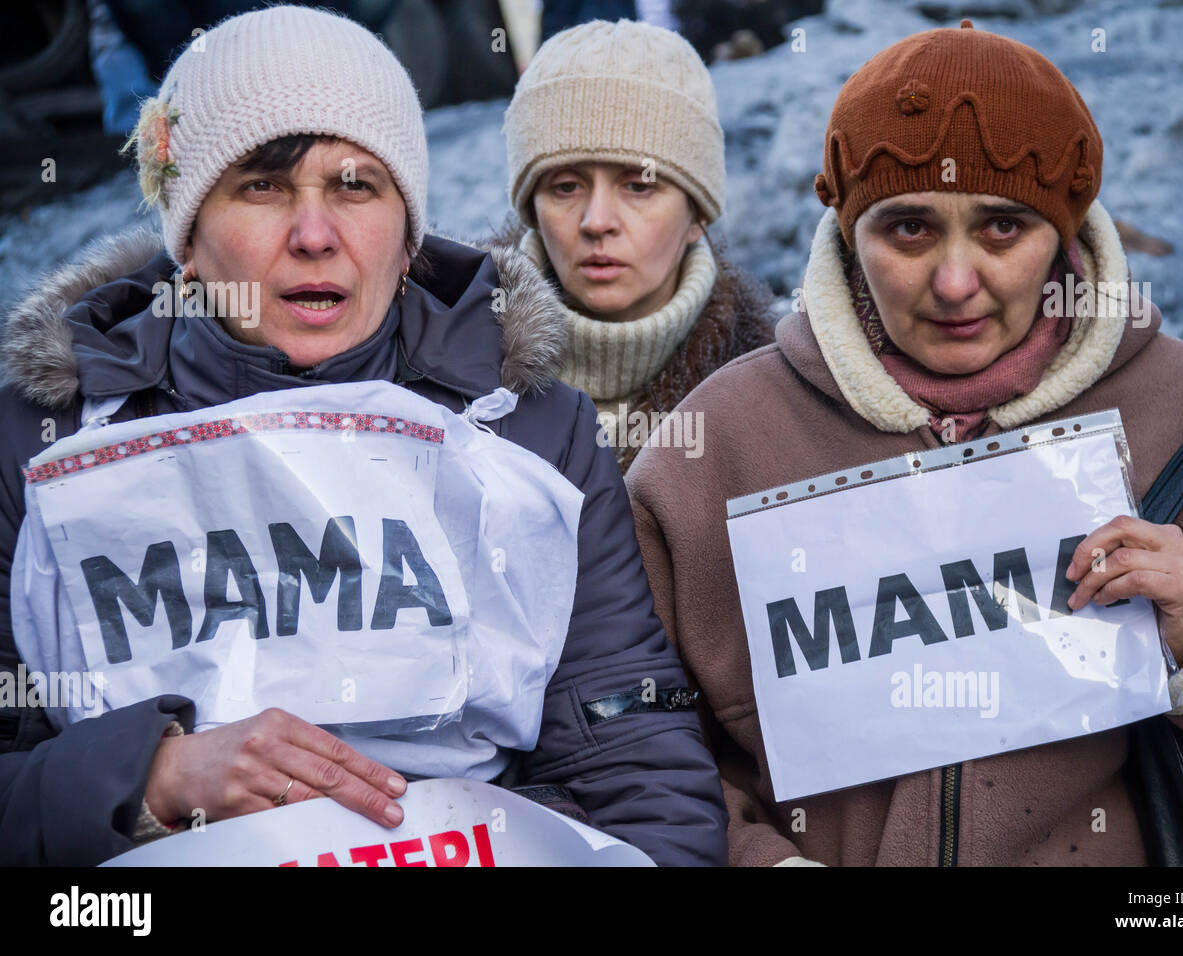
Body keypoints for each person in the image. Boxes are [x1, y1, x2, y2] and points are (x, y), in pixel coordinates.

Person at [0, 5, 726, 867]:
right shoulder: (41, 441)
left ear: (408, 234)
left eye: (355, 186)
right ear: (187, 237)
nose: (315, 236)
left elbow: (636, 767)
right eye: (261, 187)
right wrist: (148, 779)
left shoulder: (530, 431)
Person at [626, 19, 1183, 865]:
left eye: (1002, 229)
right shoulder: (710, 449)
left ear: (1067, 227)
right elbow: (626, 738)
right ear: (846, 232)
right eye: (907, 229)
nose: (954, 282)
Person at [500, 18, 776, 473]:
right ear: (531, 208)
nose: (597, 222)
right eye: (566, 187)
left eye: (639, 187)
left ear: (698, 214)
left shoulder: (767, 401)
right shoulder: (448, 372)